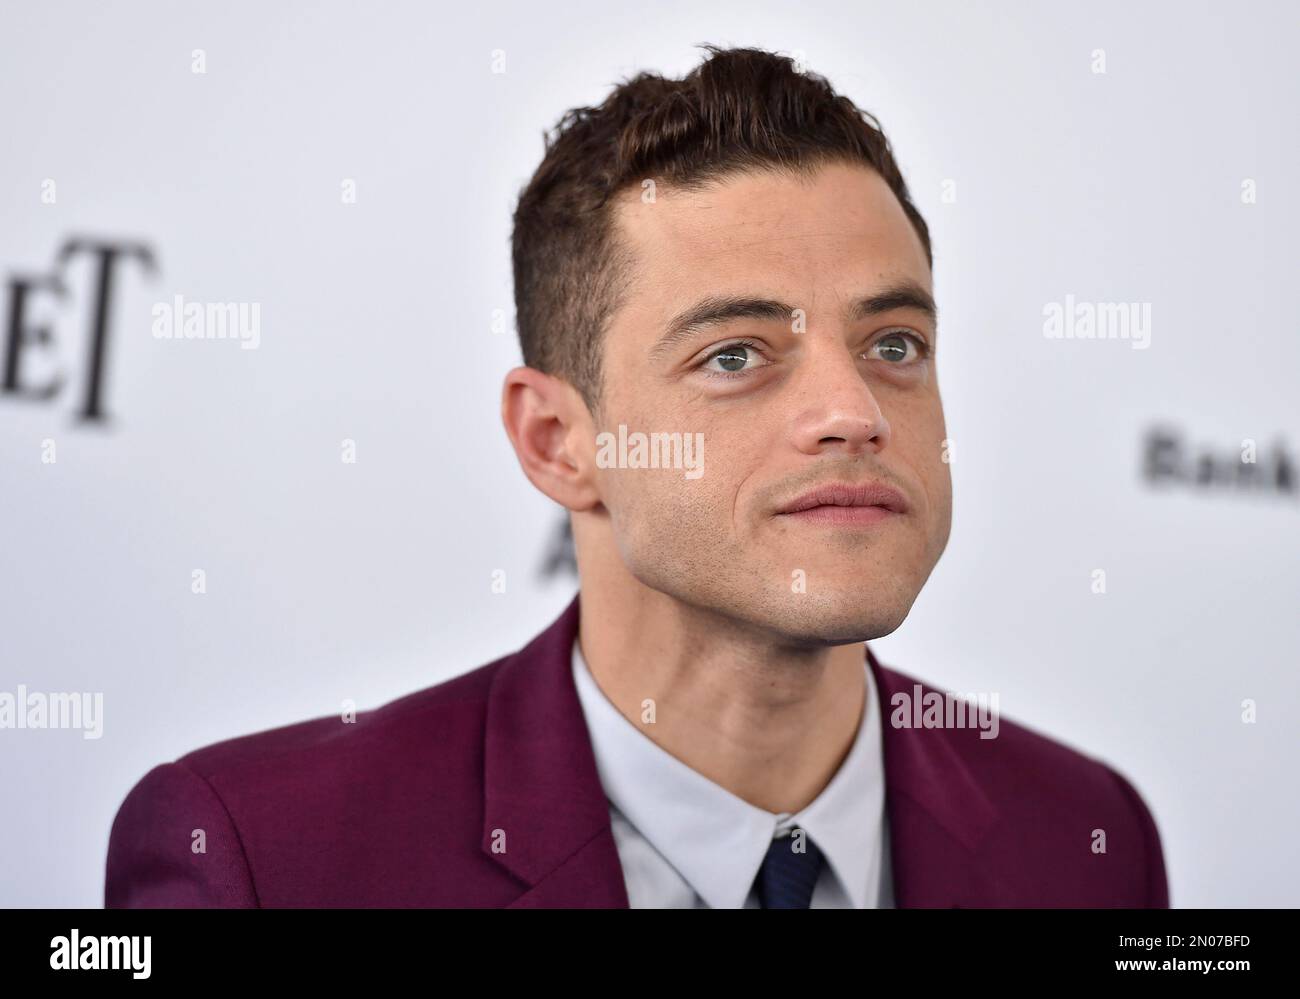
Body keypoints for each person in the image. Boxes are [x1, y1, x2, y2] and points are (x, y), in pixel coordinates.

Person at [105, 44, 1169, 908]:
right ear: (559, 441)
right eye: (736, 355)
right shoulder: (263, 859)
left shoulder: (1085, 841)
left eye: (893, 345)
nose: (852, 413)